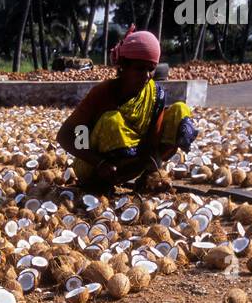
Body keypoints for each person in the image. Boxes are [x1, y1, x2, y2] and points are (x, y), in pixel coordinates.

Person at [56, 27, 196, 194]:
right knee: (112, 121)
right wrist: (98, 162)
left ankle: (144, 178)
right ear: (123, 66)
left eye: (150, 69)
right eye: (139, 68)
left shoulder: (155, 95)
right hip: (96, 167)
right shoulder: (102, 94)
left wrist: (154, 172)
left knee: (180, 110)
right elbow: (65, 135)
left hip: (134, 163)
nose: (146, 76)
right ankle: (98, 184)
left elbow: (153, 141)